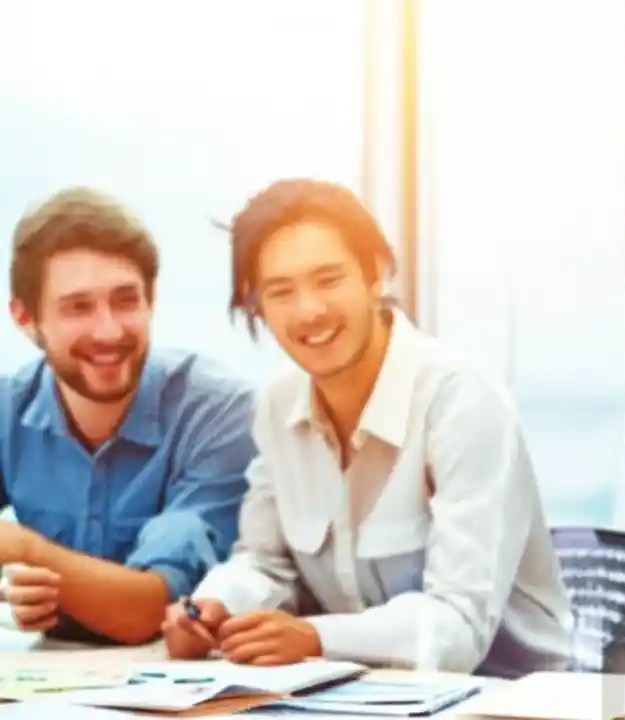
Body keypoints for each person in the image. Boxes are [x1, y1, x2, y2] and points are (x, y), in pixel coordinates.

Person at [159, 179, 572, 675]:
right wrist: (214, 606)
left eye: (329, 279)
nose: (309, 310)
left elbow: (458, 627)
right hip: (359, 696)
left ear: (376, 272)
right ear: (256, 305)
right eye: (281, 291)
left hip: (505, 698)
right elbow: (267, 562)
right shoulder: (277, 402)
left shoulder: (462, 400)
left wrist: (315, 637)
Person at [0, 188, 255, 644]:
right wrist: (9, 590)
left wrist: (24, 550)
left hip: (187, 691)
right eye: (78, 307)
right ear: (24, 317)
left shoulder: (218, 412)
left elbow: (150, 610)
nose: (109, 331)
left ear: (151, 298)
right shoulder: (8, 408)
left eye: (125, 301)